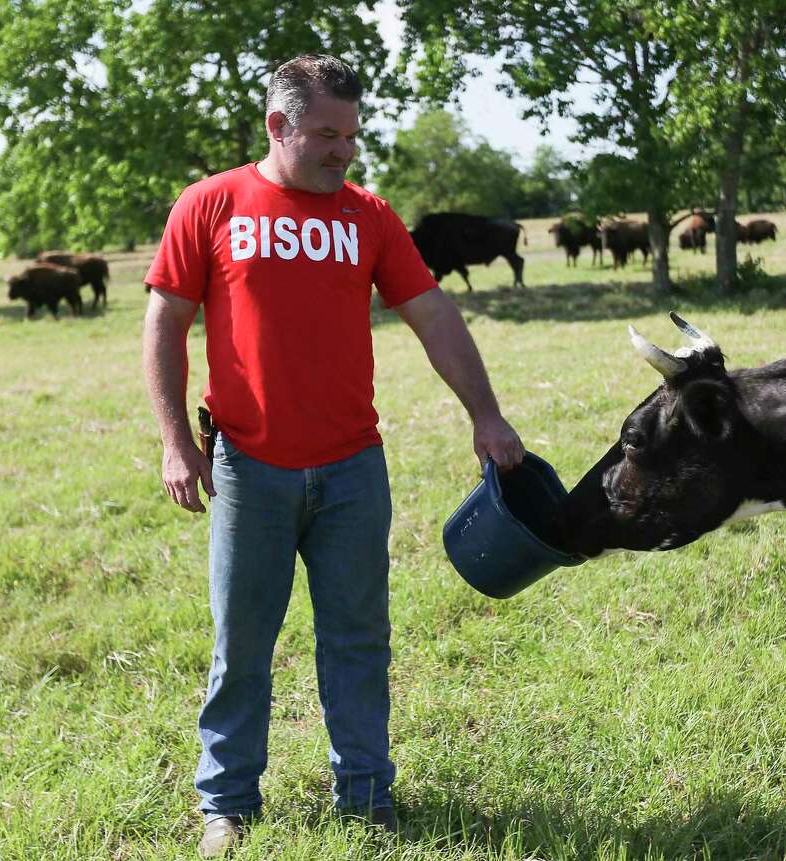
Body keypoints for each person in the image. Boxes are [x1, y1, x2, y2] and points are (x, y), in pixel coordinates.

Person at [141, 54, 524, 858]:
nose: (343, 150)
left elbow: (433, 314)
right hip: (249, 464)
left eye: (351, 134)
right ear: (278, 126)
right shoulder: (212, 204)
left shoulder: (369, 217)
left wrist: (486, 414)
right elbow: (166, 322)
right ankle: (227, 804)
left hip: (354, 468)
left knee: (357, 634)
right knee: (242, 639)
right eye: (326, 134)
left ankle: (367, 794)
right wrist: (177, 440)